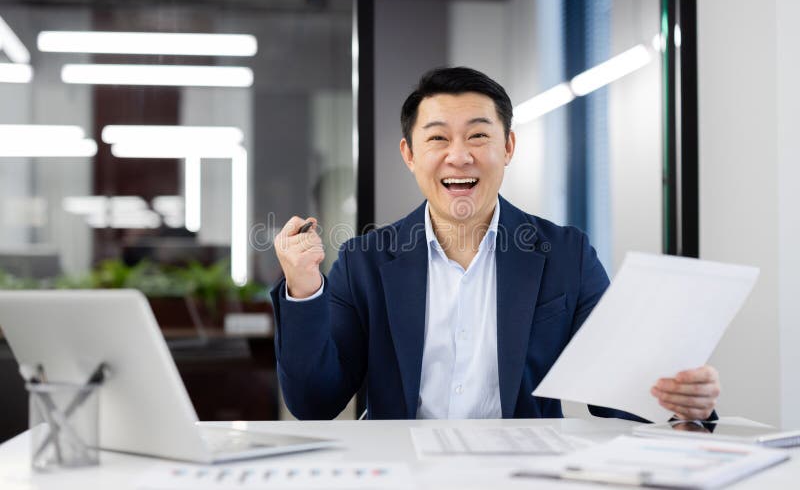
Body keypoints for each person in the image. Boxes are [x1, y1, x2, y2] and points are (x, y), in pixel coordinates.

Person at [271, 66, 720, 421]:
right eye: (438, 138)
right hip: (404, 472)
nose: (459, 155)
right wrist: (304, 288)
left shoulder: (567, 256)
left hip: (526, 473)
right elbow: (316, 402)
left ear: (508, 147)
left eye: (479, 135)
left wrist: (681, 402)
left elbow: (617, 399)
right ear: (409, 155)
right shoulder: (364, 261)